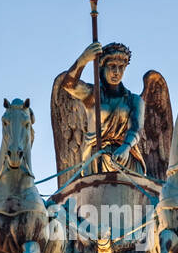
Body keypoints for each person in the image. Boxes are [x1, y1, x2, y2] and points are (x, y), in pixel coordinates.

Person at [60, 41, 146, 176]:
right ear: (102, 68)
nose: (116, 72)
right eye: (112, 66)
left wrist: (125, 147)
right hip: (97, 159)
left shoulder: (134, 100)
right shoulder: (92, 95)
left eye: (121, 67)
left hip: (126, 157)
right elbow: (68, 85)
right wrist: (84, 59)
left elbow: (136, 128)